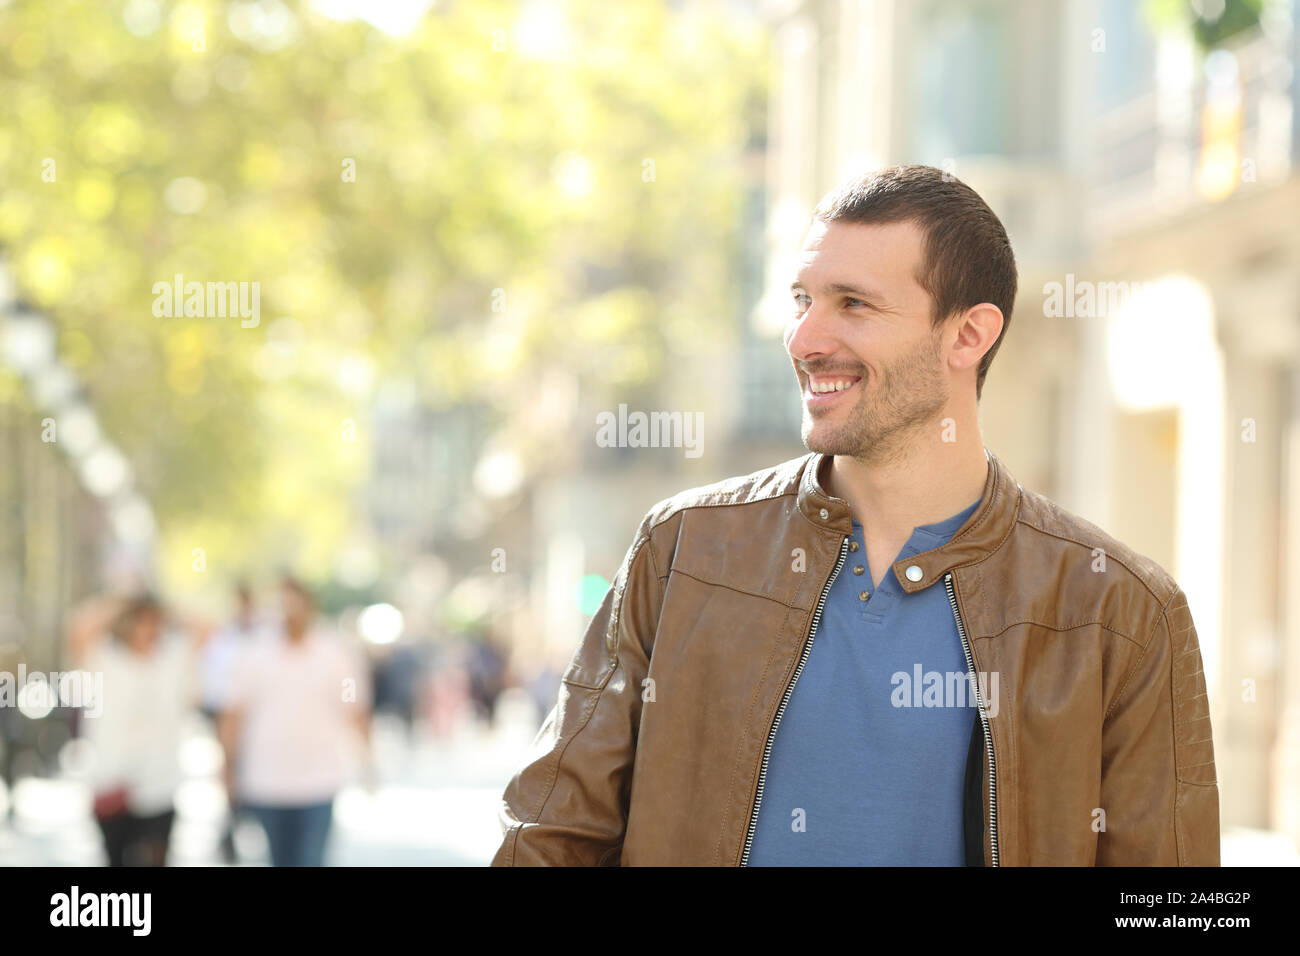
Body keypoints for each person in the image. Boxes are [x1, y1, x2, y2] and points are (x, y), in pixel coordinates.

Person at [492, 164, 1220, 866]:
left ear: (968, 335)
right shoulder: (685, 551)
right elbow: (551, 835)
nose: (803, 339)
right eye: (802, 299)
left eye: (853, 304)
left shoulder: (1121, 614)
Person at [219, 575, 371, 866]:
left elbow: (355, 709)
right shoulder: (253, 654)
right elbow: (233, 715)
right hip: (265, 783)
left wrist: (367, 761)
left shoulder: (335, 654)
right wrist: (227, 768)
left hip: (319, 783)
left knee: (310, 859)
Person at [79, 593, 197, 866]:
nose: (146, 629)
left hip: (160, 785)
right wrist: (125, 601)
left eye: (152, 621)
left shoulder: (173, 658)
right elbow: (79, 628)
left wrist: (165, 606)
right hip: (112, 782)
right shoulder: (105, 658)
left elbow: (206, 629)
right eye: (139, 621)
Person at [198, 582, 262, 863]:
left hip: (260, 721)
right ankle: (230, 826)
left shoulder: (266, 637)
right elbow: (212, 681)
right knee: (230, 772)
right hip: (227, 715)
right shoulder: (223, 639)